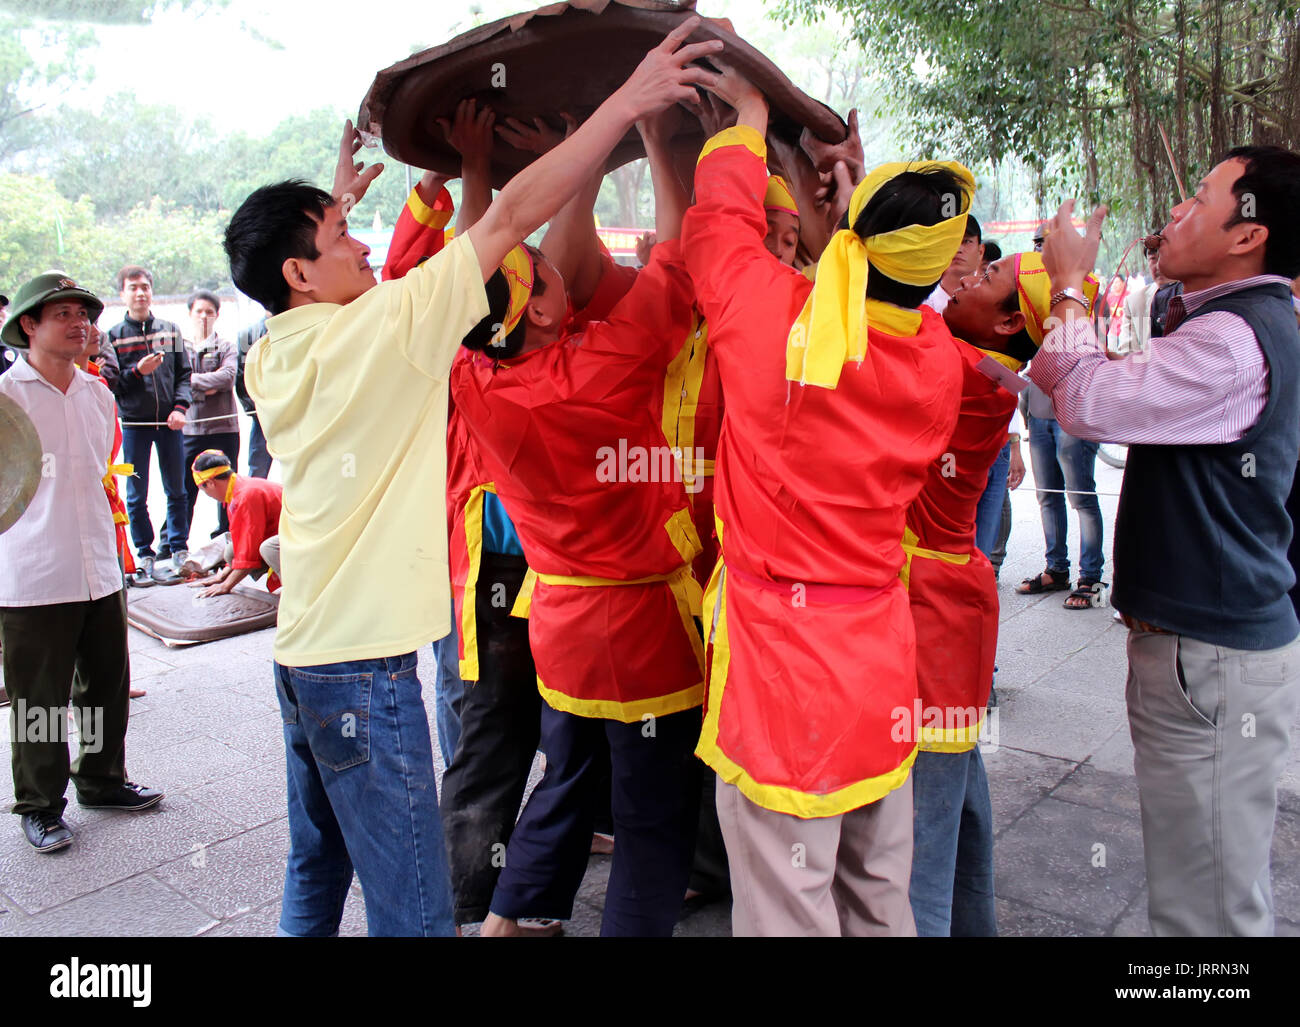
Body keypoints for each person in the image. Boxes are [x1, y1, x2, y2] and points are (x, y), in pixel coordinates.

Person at [222, 19, 719, 939]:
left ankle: (513, 910)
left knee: (316, 867)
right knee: (423, 898)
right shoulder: (518, 356)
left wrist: (337, 195)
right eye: (341, 234)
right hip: (392, 667)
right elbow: (514, 228)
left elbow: (491, 259)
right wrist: (633, 108)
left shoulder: (319, 356)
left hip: (309, 652)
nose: (364, 244)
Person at [681, 62, 970, 936]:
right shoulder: (939, 365)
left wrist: (745, 123)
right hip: (878, 662)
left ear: (852, 238)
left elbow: (715, 232)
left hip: (783, 671)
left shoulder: (775, 317)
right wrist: (850, 207)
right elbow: (877, 285)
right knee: (878, 894)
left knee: (786, 905)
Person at [1030, 145, 1300, 936]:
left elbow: (1086, 404)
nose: (1173, 213)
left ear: (1249, 233)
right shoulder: (1234, 323)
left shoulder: (1230, 340)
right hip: (1206, 653)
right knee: (1207, 887)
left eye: (1201, 197)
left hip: (1208, 659)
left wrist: (1071, 288)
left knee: (1205, 912)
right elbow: (1083, 393)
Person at [905, 250, 1098, 935]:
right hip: (959, 611)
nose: (962, 281)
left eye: (983, 280)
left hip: (933, 615)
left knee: (919, 830)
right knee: (959, 789)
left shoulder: (949, 360)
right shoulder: (992, 372)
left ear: (1010, 319)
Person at [0, 272, 164, 853]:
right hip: (32, 570)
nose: (80, 324)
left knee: (103, 685)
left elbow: (99, 475)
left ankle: (99, 779)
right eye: (63, 314)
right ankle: (40, 804)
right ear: (29, 326)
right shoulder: (7, 398)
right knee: (39, 698)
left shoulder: (97, 393)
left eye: (83, 314)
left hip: (97, 562)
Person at [97, 266, 192, 585]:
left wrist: (181, 408)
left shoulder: (171, 330)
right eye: (133, 287)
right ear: (122, 294)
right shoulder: (113, 336)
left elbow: (184, 375)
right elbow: (110, 383)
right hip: (134, 424)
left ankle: (179, 548)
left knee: (177, 488)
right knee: (136, 493)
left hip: (170, 423)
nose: (140, 293)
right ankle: (145, 553)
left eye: (145, 287)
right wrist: (137, 371)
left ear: (152, 291)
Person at [1015, 374, 1106, 607]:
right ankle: (1056, 569)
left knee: (1081, 499)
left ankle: (1090, 578)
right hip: (1038, 409)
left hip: (1076, 411)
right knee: (1047, 496)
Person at [181, 291, 240, 539]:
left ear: (217, 315)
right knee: (185, 487)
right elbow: (177, 382)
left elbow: (227, 378)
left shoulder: (227, 346)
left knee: (227, 484)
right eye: (199, 311)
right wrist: (205, 384)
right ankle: (176, 541)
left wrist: (192, 381)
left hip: (223, 427)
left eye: (209, 312)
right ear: (190, 314)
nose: (204, 316)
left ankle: (230, 534)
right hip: (190, 427)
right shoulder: (180, 348)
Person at [188, 450, 282, 597]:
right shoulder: (235, 487)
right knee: (231, 551)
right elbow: (242, 543)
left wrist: (225, 586)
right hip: (277, 532)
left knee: (268, 548)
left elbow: (249, 552)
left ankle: (298, 592)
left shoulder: (245, 496)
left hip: (301, 533)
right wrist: (221, 577)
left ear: (211, 483)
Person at [1116, 239, 1183, 355]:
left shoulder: (1194, 293)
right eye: (1153, 259)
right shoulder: (1134, 301)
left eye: (1164, 257)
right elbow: (1127, 352)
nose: (1158, 265)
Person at [235, 317, 272, 479]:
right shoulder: (249, 335)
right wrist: (255, 410)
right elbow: (241, 378)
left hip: (295, 414)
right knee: (258, 470)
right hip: (261, 416)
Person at [925, 214, 983, 313]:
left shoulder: (990, 308)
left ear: (981, 251)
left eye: (967, 241)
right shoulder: (921, 307)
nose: (958, 249)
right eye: (952, 242)